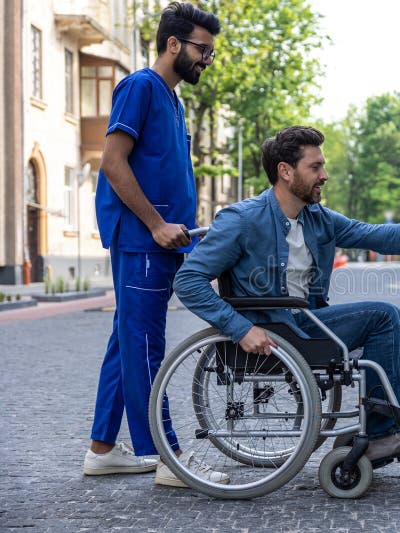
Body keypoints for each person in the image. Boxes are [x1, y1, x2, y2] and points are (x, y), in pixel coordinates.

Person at [173, 126, 400, 462]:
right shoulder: (242, 220)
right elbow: (188, 281)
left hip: (304, 324)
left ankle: (380, 427)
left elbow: (378, 235)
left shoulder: (316, 218)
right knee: (384, 316)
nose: (324, 175)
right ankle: (380, 432)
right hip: (272, 330)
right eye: (315, 168)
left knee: (385, 319)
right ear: (285, 172)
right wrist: (239, 328)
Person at [83, 2, 228, 487]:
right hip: (142, 245)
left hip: (164, 245)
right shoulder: (140, 86)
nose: (207, 59)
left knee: (126, 343)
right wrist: (155, 224)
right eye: (202, 49)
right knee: (145, 348)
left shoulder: (173, 98)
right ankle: (168, 457)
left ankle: (102, 449)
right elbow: (112, 162)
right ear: (173, 44)